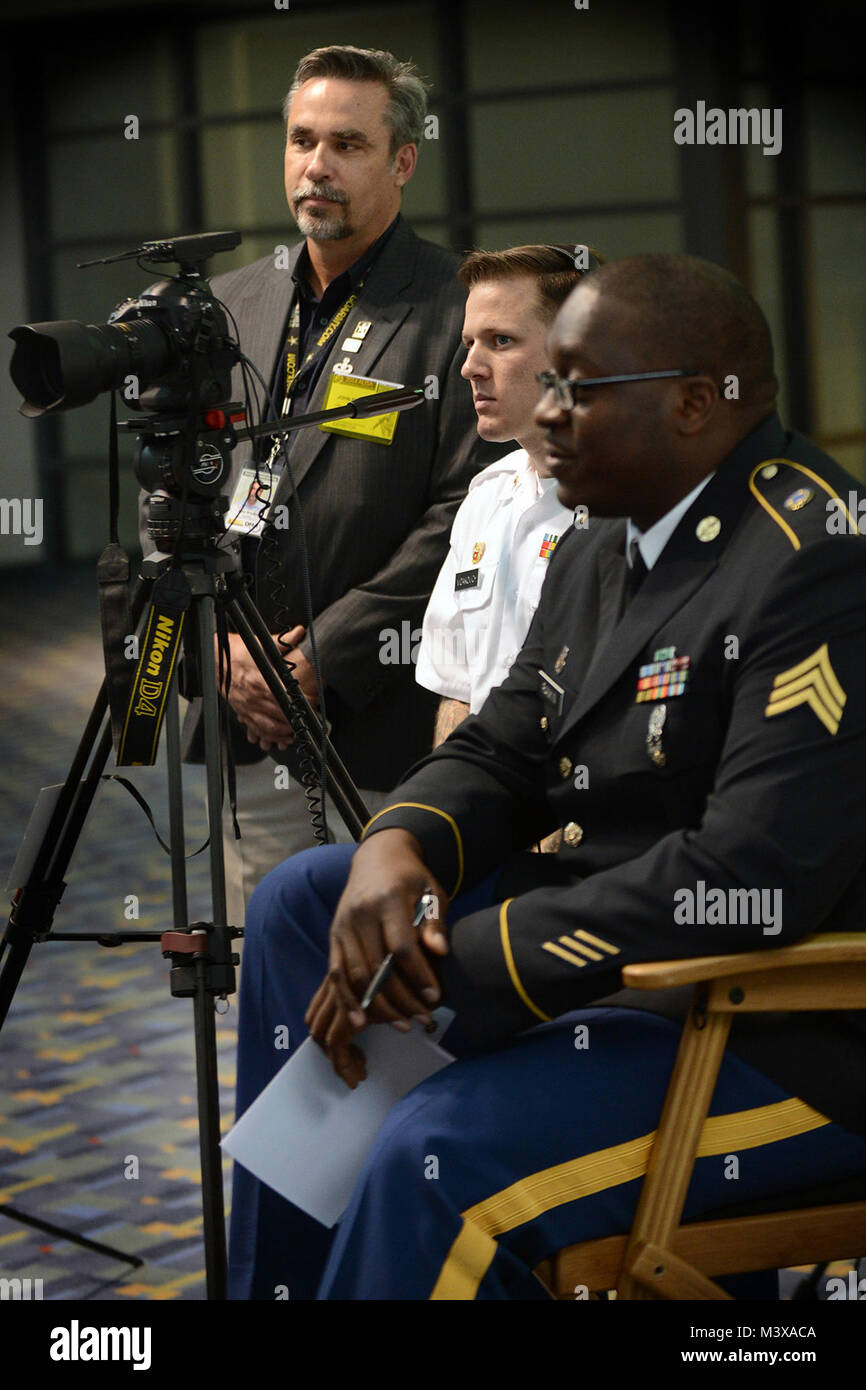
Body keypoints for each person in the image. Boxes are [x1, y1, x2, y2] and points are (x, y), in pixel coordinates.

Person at [231, 254, 866, 1300]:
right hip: (622, 962)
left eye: (579, 385)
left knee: (435, 1152)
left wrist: (464, 961)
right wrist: (398, 846)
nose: (549, 411)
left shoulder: (813, 557)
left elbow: (748, 871)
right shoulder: (602, 533)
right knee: (310, 896)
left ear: (693, 404)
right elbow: (501, 743)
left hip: (773, 1029)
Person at [140, 46, 502, 928]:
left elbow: (470, 510)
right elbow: (166, 490)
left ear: (402, 161)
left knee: (404, 984)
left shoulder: (460, 306)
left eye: (348, 144)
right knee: (274, 965)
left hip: (393, 718)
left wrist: (322, 658)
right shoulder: (227, 306)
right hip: (245, 717)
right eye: (303, 141)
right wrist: (224, 653)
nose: (317, 166)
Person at [415, 244, 597, 748]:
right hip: (490, 807)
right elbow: (457, 690)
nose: (469, 367)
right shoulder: (485, 499)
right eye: (469, 342)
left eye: (500, 340)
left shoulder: (640, 505)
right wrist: (447, 816)